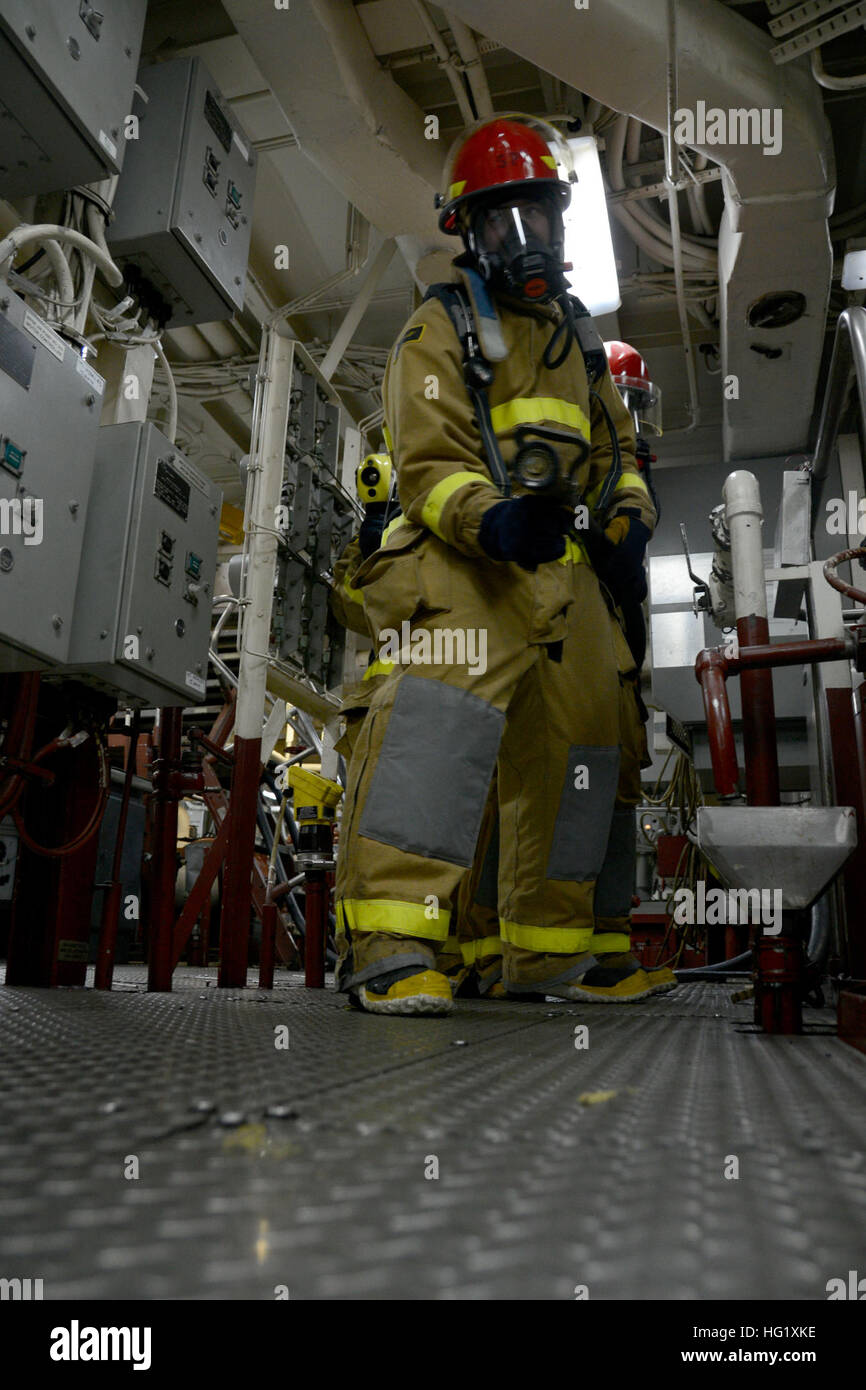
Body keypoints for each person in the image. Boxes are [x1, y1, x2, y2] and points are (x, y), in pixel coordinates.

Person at [334, 115, 658, 1015]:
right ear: (467, 235)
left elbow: (618, 455)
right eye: (499, 223)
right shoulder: (437, 331)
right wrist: (494, 519)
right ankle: (392, 944)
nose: (524, 242)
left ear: (558, 222)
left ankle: (549, 950)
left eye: (538, 220)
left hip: (572, 577)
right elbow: (429, 468)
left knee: (584, 752)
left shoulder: (583, 347)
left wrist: (629, 523)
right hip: (470, 565)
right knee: (436, 735)